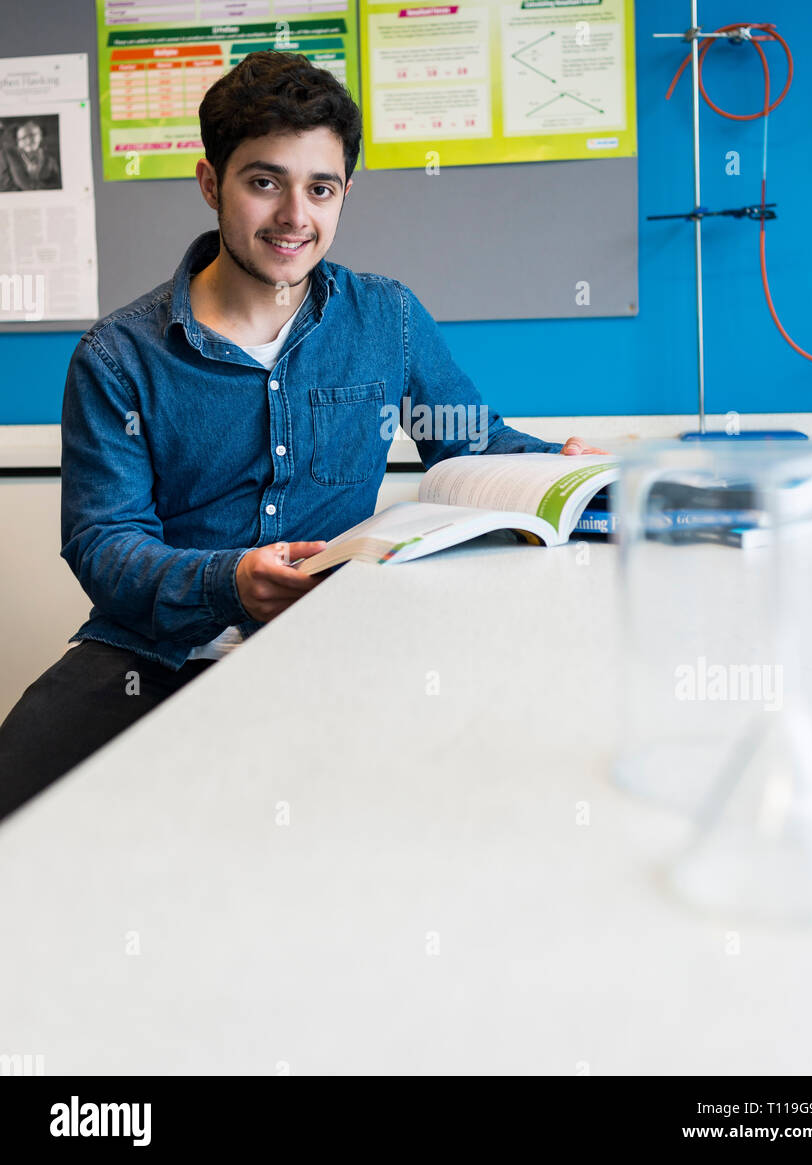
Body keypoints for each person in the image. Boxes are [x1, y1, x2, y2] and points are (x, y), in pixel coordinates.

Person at [0, 51, 605, 823]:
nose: (294, 216)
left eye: (319, 188)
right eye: (264, 182)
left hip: (334, 647)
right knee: (19, 817)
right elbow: (104, 544)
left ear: (343, 192)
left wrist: (557, 468)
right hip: (151, 658)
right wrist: (229, 580)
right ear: (211, 183)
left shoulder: (386, 317)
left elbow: (468, 442)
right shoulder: (117, 355)